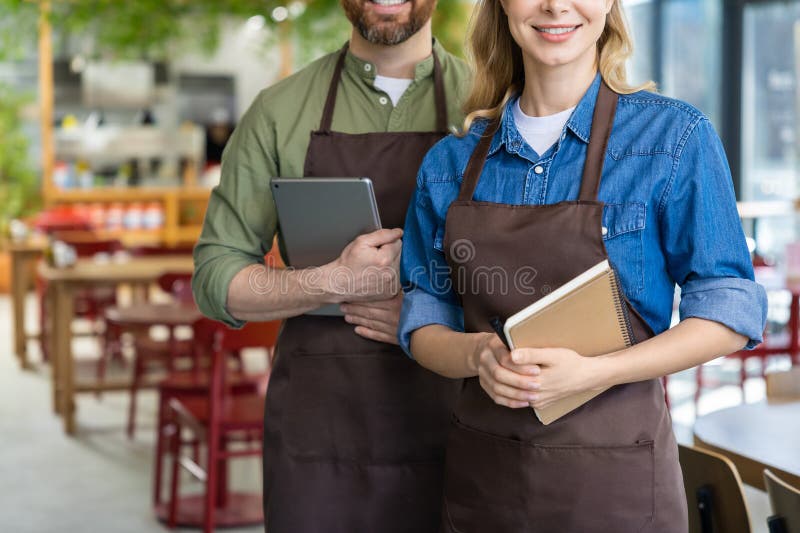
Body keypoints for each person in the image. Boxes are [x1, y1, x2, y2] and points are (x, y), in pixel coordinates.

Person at [399, 0, 768, 531]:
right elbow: (423, 318)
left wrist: (594, 373)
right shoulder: (449, 164)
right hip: (486, 484)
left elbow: (729, 313)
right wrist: (477, 354)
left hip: (618, 485)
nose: (554, 5)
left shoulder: (674, 139)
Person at [191, 0, 470, 531]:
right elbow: (214, 275)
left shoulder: (494, 104)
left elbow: (534, 277)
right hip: (321, 441)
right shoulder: (281, 110)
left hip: (459, 427)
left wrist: (425, 318)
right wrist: (331, 281)